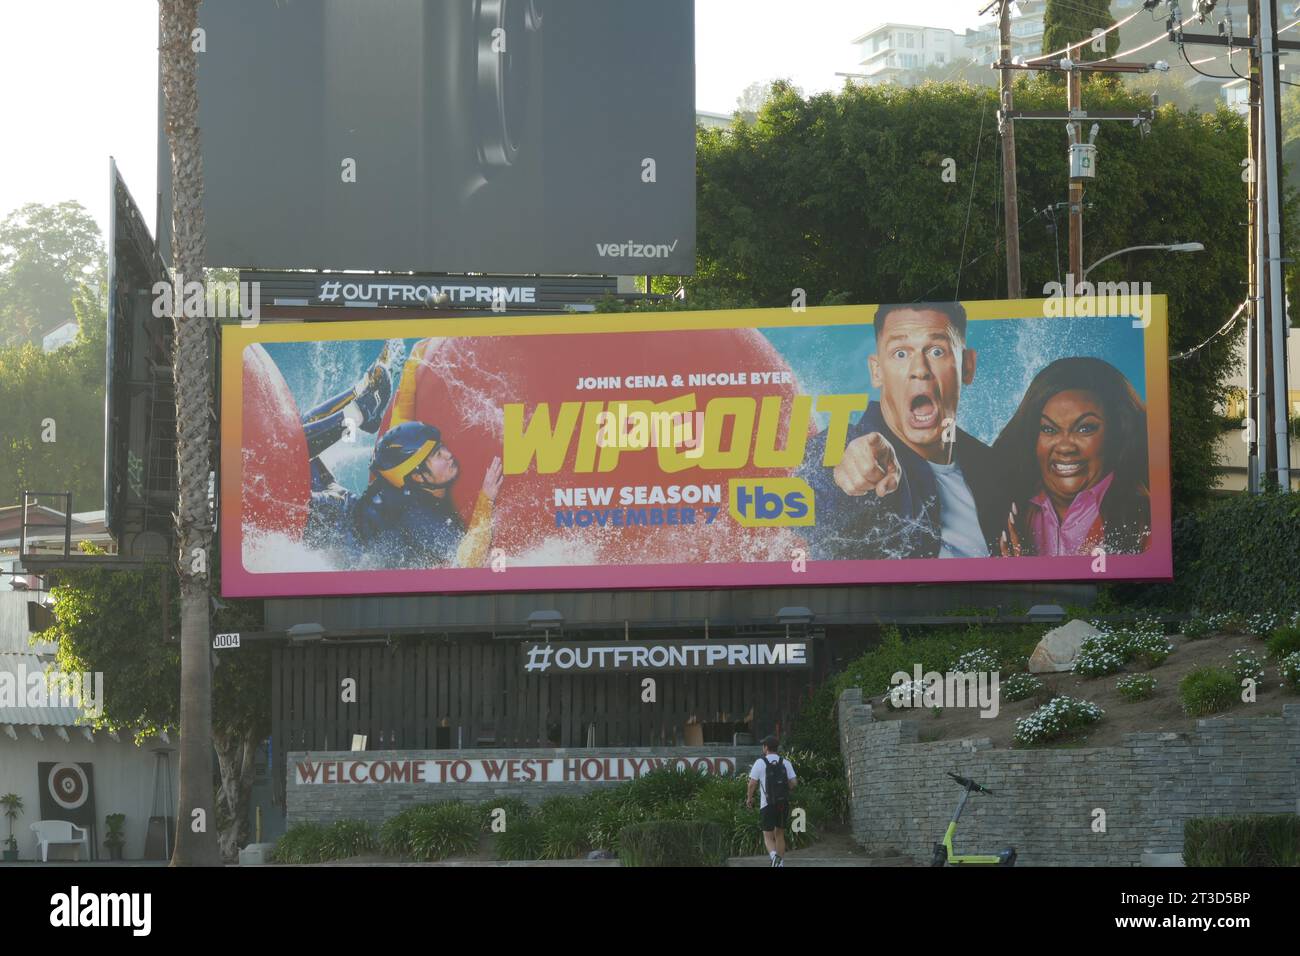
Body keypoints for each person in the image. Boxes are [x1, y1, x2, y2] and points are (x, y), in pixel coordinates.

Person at [800, 302, 1004, 560]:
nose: (919, 369)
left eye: (937, 351)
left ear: (967, 366)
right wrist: (848, 470)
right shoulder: (845, 443)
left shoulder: (992, 466)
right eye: (900, 353)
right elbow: (818, 483)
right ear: (877, 371)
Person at [301, 341, 504, 568]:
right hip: (340, 510)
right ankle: (360, 402)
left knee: (293, 444)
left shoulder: (422, 519)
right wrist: (411, 373)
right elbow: (401, 430)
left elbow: (467, 563)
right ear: (417, 475)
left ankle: (360, 406)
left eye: (440, 450)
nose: (448, 455)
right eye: (437, 453)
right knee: (296, 440)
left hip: (332, 524)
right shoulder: (411, 487)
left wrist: (485, 499)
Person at [991, 357, 1150, 557]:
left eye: (1085, 428)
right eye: (1048, 429)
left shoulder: (1146, 515)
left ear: (1118, 431)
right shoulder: (1006, 507)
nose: (1065, 447)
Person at [746, 735, 797, 867]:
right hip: (782, 803)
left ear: (766, 748)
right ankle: (779, 863)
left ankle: (775, 860)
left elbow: (752, 784)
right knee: (779, 834)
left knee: (767, 836)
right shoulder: (785, 763)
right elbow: (793, 784)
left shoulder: (760, 763)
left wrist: (749, 799)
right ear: (777, 748)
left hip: (767, 805)